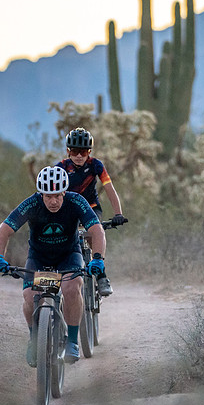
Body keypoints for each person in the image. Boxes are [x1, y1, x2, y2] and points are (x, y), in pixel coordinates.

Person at [0, 165, 107, 366]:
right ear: (41, 194)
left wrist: (97, 258)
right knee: (30, 296)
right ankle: (34, 340)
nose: (53, 201)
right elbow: (3, 230)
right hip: (39, 259)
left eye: (57, 196)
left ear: (64, 192)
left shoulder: (76, 201)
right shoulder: (32, 204)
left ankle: (71, 341)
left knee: (72, 287)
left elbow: (97, 232)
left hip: (68, 256)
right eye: (47, 196)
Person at [56, 127, 126, 297]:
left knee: (95, 234)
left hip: (91, 208)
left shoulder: (95, 165)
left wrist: (118, 214)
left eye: (83, 151)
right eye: (74, 151)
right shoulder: (61, 167)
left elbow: (109, 188)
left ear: (89, 152)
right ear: (68, 151)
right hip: (69, 209)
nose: (79, 156)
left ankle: (102, 276)